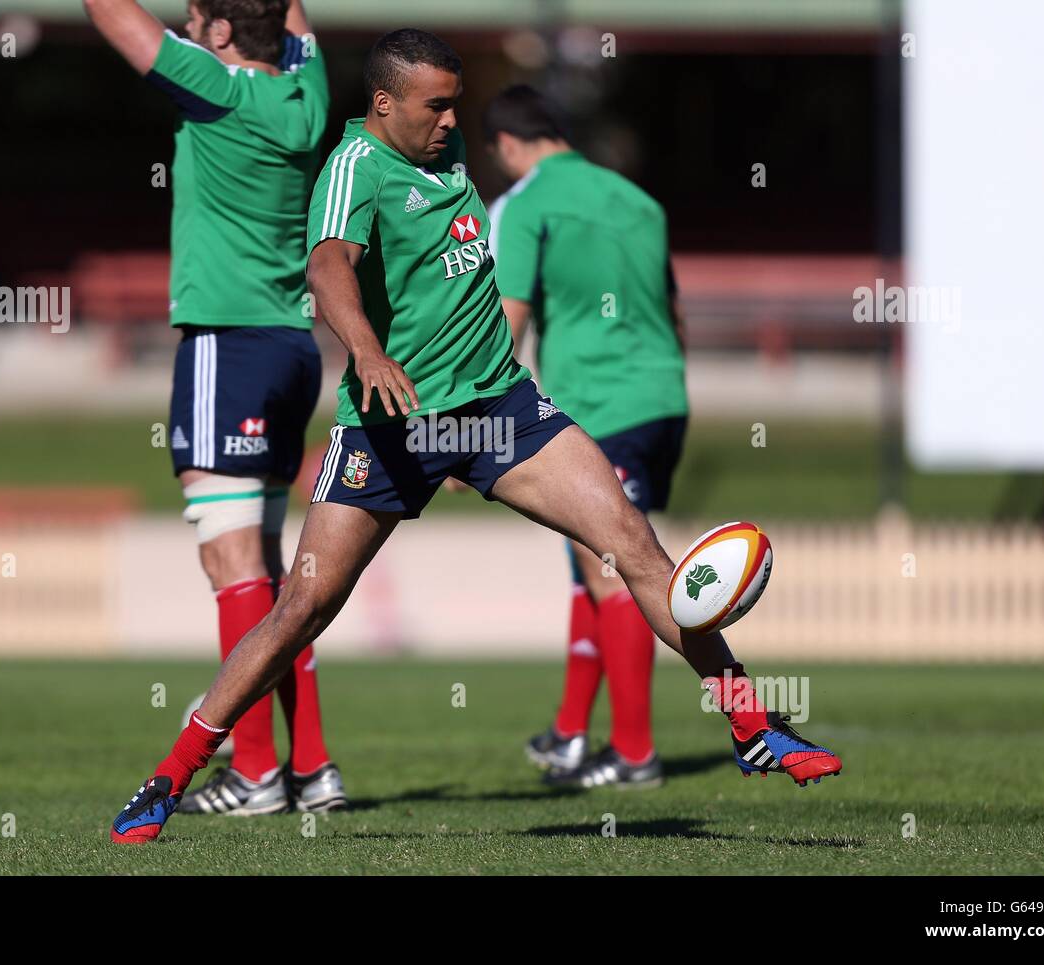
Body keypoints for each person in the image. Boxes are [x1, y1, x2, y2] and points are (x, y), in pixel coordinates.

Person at [110, 28, 842, 844]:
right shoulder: (355, 166)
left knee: (633, 544)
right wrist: (367, 350)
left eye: (456, 104)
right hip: (392, 427)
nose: (454, 120)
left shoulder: (443, 155)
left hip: (504, 411)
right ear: (384, 104)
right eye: (437, 105)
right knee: (300, 611)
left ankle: (753, 725)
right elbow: (327, 267)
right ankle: (172, 774)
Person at [85, 0, 345, 815]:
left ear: (223, 33)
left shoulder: (216, 85)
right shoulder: (306, 92)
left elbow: (109, 13)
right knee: (272, 579)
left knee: (234, 570)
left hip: (225, 347)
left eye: (195, 16)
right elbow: (294, 22)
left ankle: (259, 774)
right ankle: (314, 767)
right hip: (294, 350)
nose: (184, 26)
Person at [484, 84, 690, 788]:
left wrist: (467, 419)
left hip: (599, 403)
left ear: (507, 145)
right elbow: (673, 309)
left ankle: (633, 753)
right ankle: (574, 733)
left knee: (613, 570)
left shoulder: (526, 203)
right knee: (597, 561)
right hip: (664, 396)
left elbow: (505, 319)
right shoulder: (642, 201)